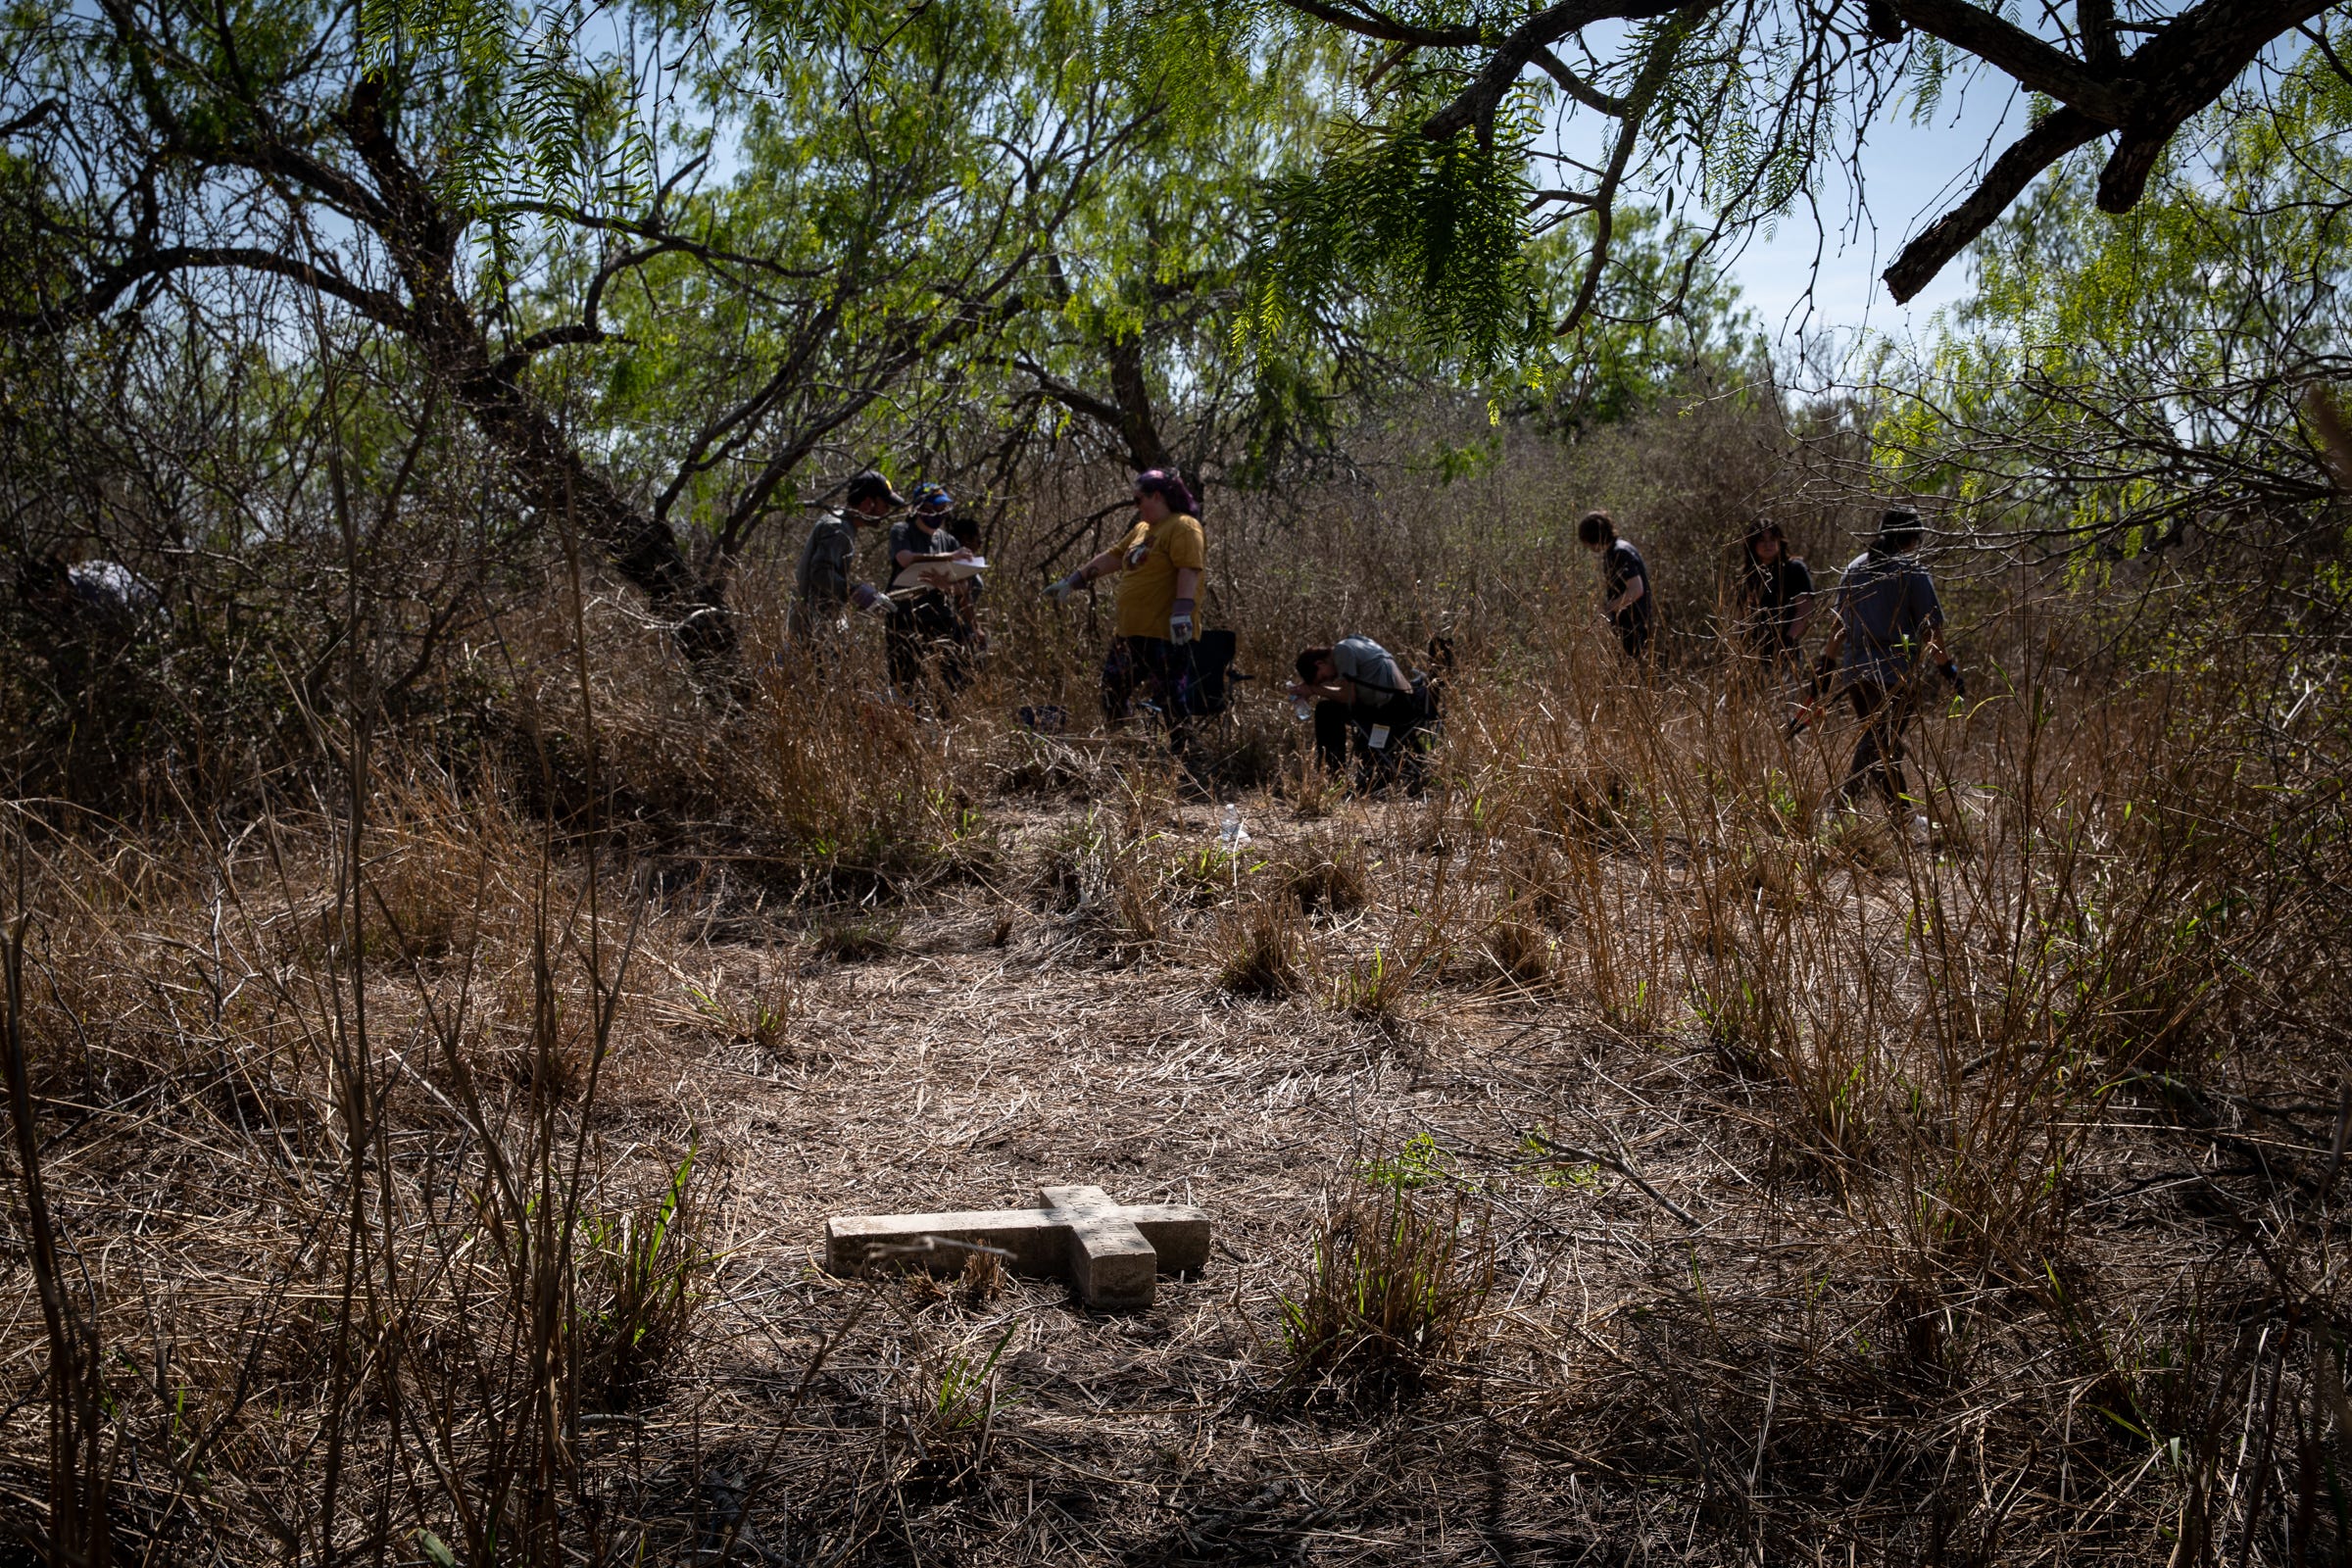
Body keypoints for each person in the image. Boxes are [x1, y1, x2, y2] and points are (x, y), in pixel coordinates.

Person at [1810, 508, 1966, 813]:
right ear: (1912, 538)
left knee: (1883, 746)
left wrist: (1825, 669)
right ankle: (1841, 808)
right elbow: (1931, 630)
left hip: (1855, 674)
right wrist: (1950, 672)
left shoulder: (1854, 568)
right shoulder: (1913, 572)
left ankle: (1902, 816)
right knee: (1880, 744)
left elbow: (1838, 626)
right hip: (1894, 676)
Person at [1046, 469, 1205, 728]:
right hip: (1131, 634)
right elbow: (1113, 557)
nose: (1136, 506)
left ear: (1156, 496)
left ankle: (1187, 759)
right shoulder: (1142, 529)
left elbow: (1189, 568)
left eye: (1138, 499)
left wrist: (1182, 612)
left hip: (1166, 633)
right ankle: (1124, 743)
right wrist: (1073, 581)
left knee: (1171, 699)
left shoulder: (1184, 526)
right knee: (1112, 690)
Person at [1288, 635, 1436, 790]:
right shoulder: (1358, 641)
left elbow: (1348, 697)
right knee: (1329, 708)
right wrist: (1316, 689)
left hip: (1391, 710)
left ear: (1319, 663)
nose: (1329, 680)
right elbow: (1352, 693)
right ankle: (1335, 774)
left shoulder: (1341, 651)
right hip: (1406, 704)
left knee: (1326, 710)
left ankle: (1332, 776)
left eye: (1323, 677)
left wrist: (1314, 689)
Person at [883, 482, 976, 702]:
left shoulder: (948, 540)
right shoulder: (902, 531)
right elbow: (904, 558)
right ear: (918, 509)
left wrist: (946, 584)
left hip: (940, 619)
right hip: (905, 617)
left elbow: (963, 587)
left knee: (950, 678)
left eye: (941, 509)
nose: (937, 515)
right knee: (903, 679)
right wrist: (949, 558)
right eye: (931, 509)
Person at [793, 469, 901, 638]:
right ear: (867, 503)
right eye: (884, 505)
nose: (886, 512)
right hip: (811, 632)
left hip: (817, 628)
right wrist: (855, 592)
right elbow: (819, 572)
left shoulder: (842, 523)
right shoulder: (837, 528)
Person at [1737, 521, 1814, 670]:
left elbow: (1804, 608)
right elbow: (1740, 614)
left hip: (1784, 649)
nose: (1768, 545)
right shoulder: (1748, 574)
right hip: (1751, 652)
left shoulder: (1794, 569)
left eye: (1772, 540)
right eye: (1762, 541)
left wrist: (1788, 640)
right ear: (1753, 544)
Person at [1577, 511, 1653, 660]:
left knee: (1631, 673)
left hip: (1633, 627)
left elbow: (1636, 589)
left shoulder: (1620, 553)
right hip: (1630, 625)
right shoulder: (1619, 549)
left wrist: (1608, 608)